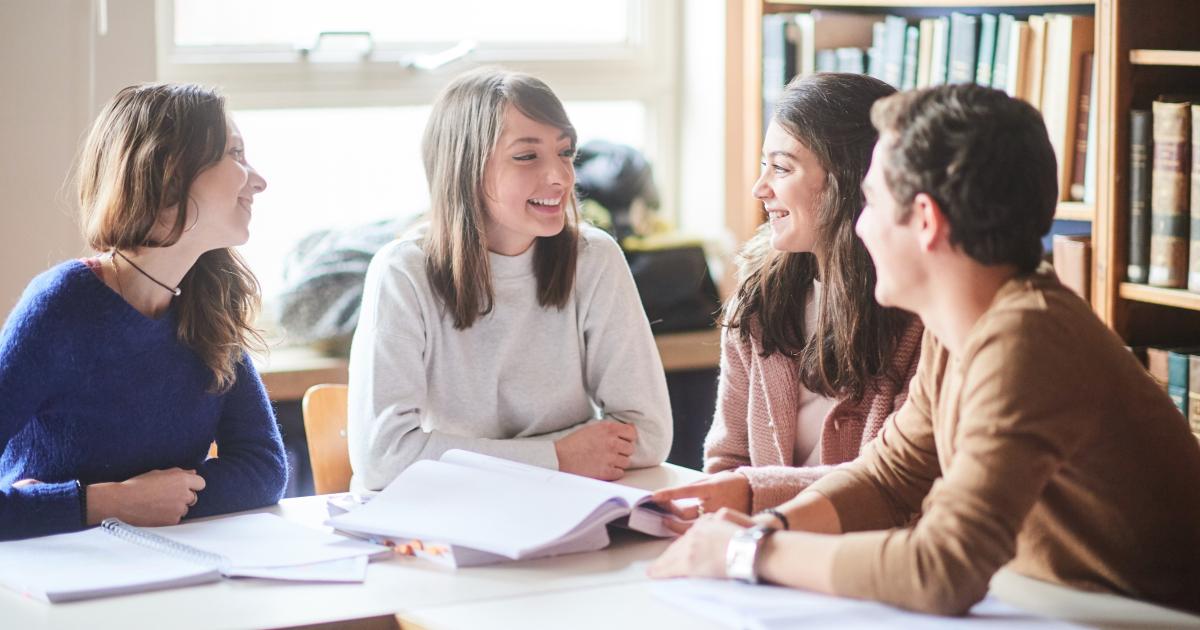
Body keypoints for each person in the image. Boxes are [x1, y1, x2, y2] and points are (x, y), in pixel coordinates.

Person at [648, 84, 1200, 615]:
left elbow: (943, 570)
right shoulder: (958, 327)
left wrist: (749, 555)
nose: (858, 228)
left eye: (869, 203)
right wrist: (766, 528)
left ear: (927, 222)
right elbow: (889, 478)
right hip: (1061, 606)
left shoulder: (1026, 340)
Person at [347, 67, 672, 491]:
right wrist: (561, 456)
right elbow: (383, 458)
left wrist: (454, 455)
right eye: (526, 156)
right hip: (446, 514)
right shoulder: (402, 273)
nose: (560, 176)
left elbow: (647, 435)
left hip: (562, 508)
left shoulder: (594, 259)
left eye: (565, 152)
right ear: (466, 168)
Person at [0, 83, 287, 541]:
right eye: (235, 154)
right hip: (54, 584)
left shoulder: (208, 298)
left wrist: (160, 503)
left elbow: (263, 466)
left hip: (159, 569)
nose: (257, 180)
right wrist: (107, 503)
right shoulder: (60, 307)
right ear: (169, 174)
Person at [652, 73, 921, 518]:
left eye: (781, 167)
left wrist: (755, 496)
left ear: (849, 181)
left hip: (865, 561)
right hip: (766, 556)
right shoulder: (758, 298)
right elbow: (728, 464)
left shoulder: (922, 315)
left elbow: (896, 486)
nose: (760, 188)